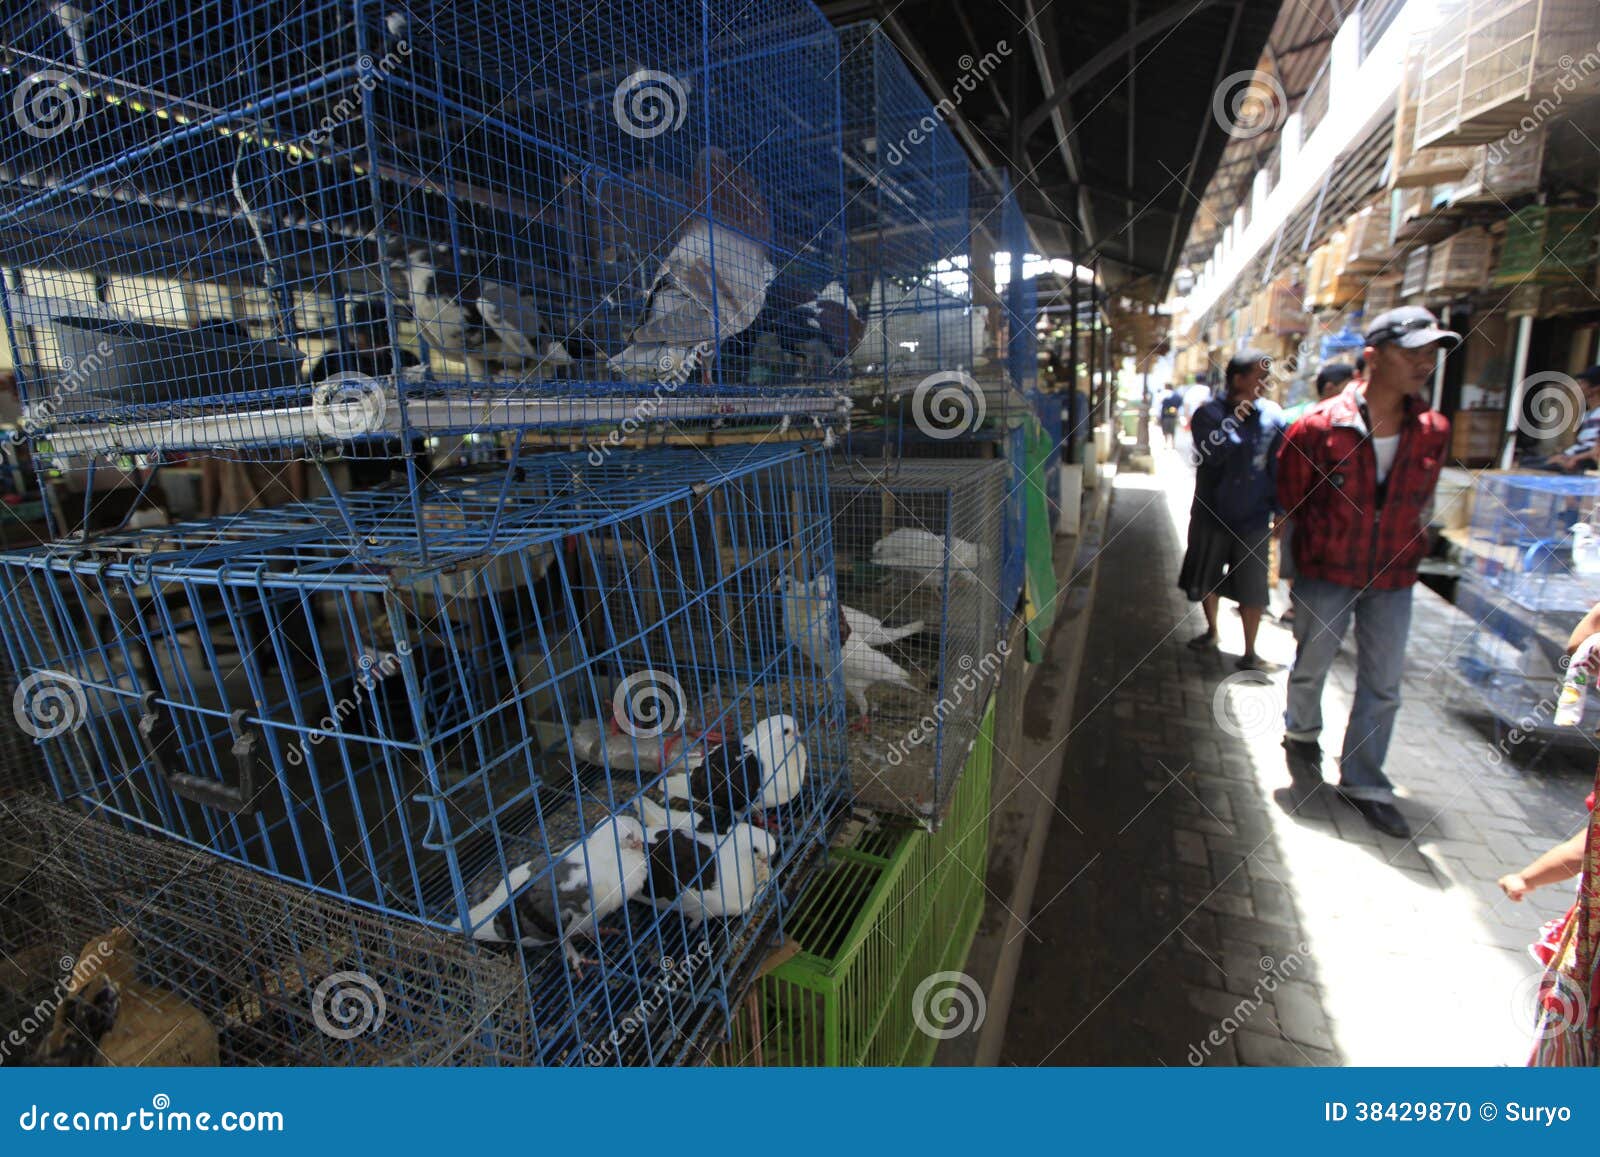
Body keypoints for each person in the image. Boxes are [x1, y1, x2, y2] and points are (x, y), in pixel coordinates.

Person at [1277, 306, 1459, 838]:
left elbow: (1420, 501)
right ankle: (1301, 734)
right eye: (1413, 352)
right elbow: (1291, 499)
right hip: (1326, 571)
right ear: (1374, 357)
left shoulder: (1433, 430)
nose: (1425, 363)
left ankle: (1364, 781)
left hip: (1395, 577)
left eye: (1432, 353)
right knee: (1313, 662)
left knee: (1383, 683)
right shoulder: (1315, 426)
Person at [1179, 350, 1285, 671]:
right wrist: (1240, 414)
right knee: (1207, 575)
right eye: (1259, 377)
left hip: (1254, 516)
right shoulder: (1208, 415)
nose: (1265, 384)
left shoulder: (1273, 417)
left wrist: (1281, 509)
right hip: (1212, 513)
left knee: (1253, 586)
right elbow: (1217, 453)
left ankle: (1250, 650)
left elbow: (1279, 466)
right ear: (1238, 379)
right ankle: (1213, 631)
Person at [1275, 364, 1357, 625]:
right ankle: (1296, 604)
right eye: (1348, 385)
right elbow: (1289, 484)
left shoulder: (1360, 422)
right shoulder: (1308, 422)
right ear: (1331, 388)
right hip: (1311, 533)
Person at [1521, 365, 1600, 473]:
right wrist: (1563, 456)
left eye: (1582, 383)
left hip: (1584, 462)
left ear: (1596, 388)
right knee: (1525, 462)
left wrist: (1572, 459)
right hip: (1575, 456)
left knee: (1533, 469)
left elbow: (1595, 451)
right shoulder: (1588, 415)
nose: (1578, 387)